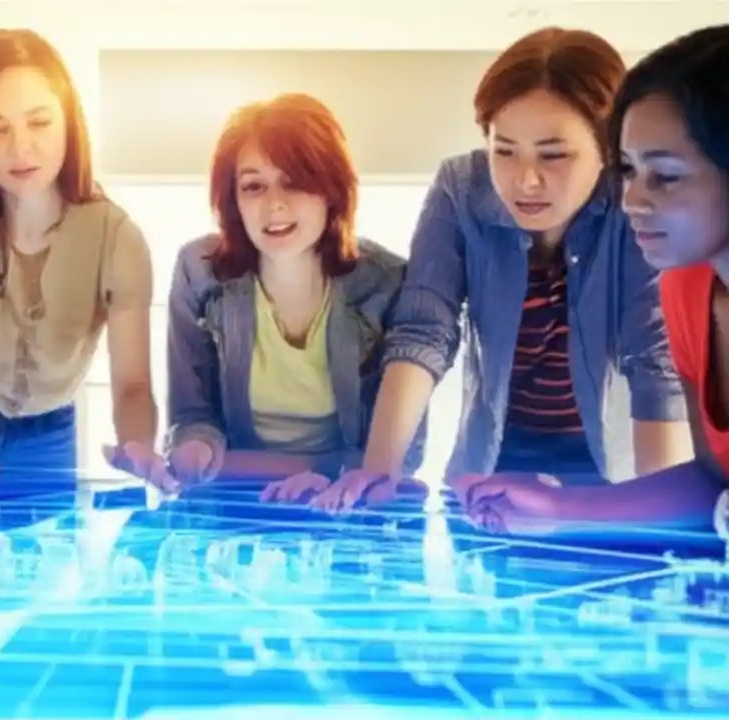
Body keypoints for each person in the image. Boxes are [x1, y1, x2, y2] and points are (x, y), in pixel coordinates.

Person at [311, 26, 693, 513]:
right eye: (504, 150)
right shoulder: (460, 190)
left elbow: (654, 363)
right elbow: (424, 331)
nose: (526, 180)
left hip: (610, 468)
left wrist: (654, 516)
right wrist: (379, 471)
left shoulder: (634, 204)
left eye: (554, 155)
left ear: (608, 148)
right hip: (490, 463)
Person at [459, 24, 729, 536]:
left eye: (665, 176)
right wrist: (557, 507)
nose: (633, 200)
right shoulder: (685, 290)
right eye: (626, 171)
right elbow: (712, 479)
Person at [0, 28, 172, 501]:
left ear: (69, 122)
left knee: (40, 552)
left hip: (50, 435)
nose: (21, 148)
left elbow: (132, 383)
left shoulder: (119, 240)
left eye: (40, 122)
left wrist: (138, 445)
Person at [164, 93, 419, 500]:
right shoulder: (200, 272)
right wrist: (191, 452)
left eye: (295, 182)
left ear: (331, 191)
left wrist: (324, 475)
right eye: (254, 186)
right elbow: (191, 415)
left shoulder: (386, 284)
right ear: (233, 200)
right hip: (236, 497)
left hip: (345, 499)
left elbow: (405, 450)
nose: (275, 205)